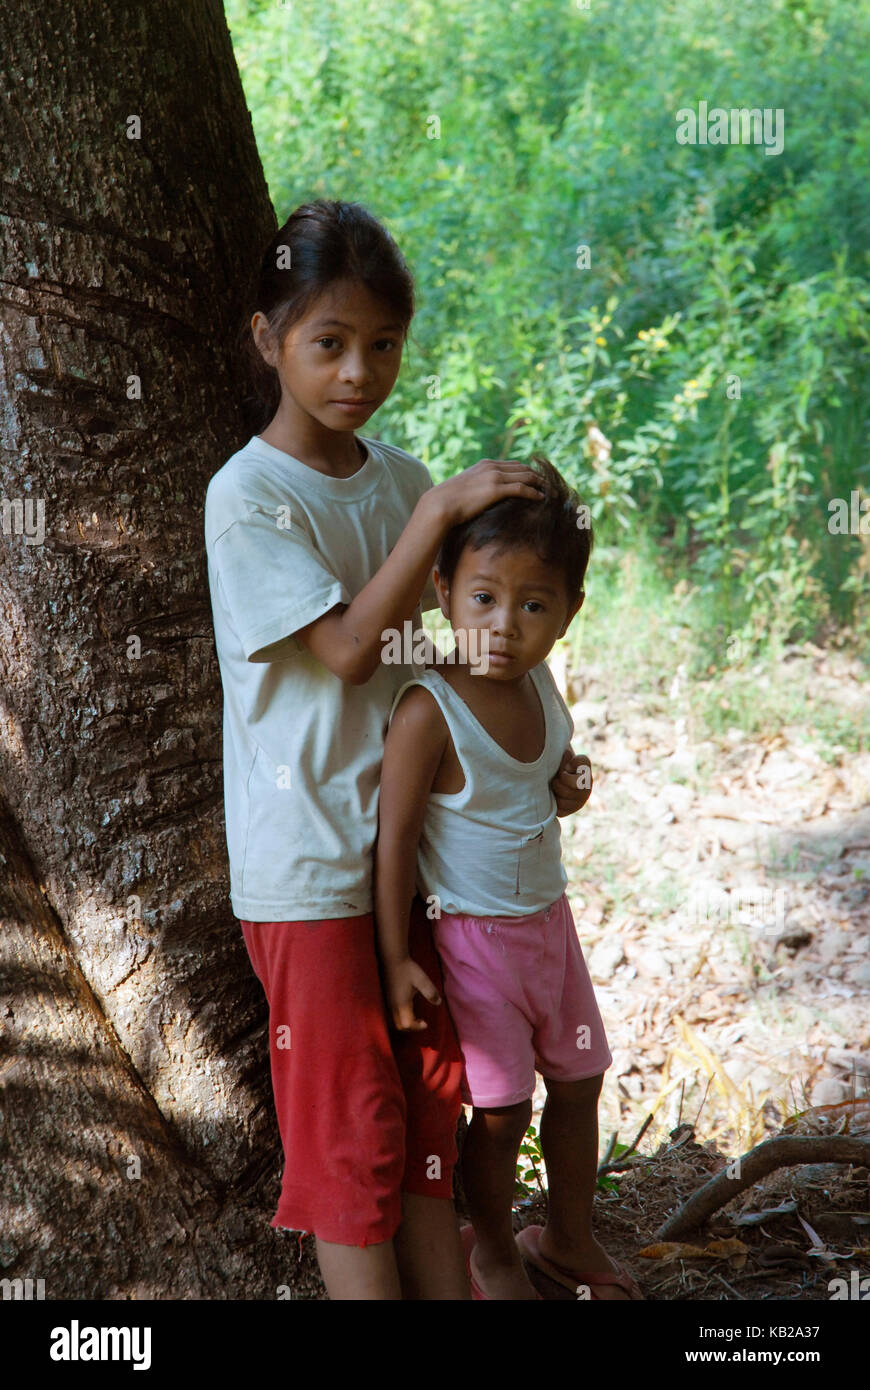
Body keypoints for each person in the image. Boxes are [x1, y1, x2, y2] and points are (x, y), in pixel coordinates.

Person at [204, 199, 587, 1300]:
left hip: (421, 861)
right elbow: (345, 647)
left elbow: (462, 643)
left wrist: (544, 751)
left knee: (430, 1119)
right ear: (268, 340)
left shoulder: (403, 479)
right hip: (310, 869)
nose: (358, 370)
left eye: (383, 345)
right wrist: (438, 511)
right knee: (350, 1136)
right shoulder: (250, 497)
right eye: (329, 342)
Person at [375, 455, 644, 1301]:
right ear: (443, 589)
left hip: (549, 930)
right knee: (498, 1115)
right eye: (483, 598)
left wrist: (568, 788)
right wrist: (393, 955)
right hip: (477, 945)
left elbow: (539, 789)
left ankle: (567, 1237)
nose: (505, 625)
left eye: (534, 605)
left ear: (570, 613)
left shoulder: (540, 683)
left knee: (581, 1081)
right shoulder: (430, 709)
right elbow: (394, 841)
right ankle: (491, 1247)